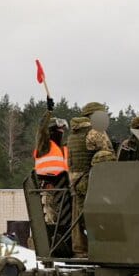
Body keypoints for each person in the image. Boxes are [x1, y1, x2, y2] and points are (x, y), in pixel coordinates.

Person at [67, 102, 115, 257]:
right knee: (96, 215)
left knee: (78, 216)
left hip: (75, 180)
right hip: (91, 180)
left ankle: (80, 250)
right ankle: (101, 248)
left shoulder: (74, 134)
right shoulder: (95, 132)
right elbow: (108, 154)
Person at [33, 96, 69, 224]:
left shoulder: (63, 149)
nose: (61, 133)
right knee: (51, 220)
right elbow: (41, 129)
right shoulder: (45, 145)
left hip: (65, 191)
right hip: (48, 188)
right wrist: (48, 111)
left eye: (62, 131)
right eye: (58, 131)